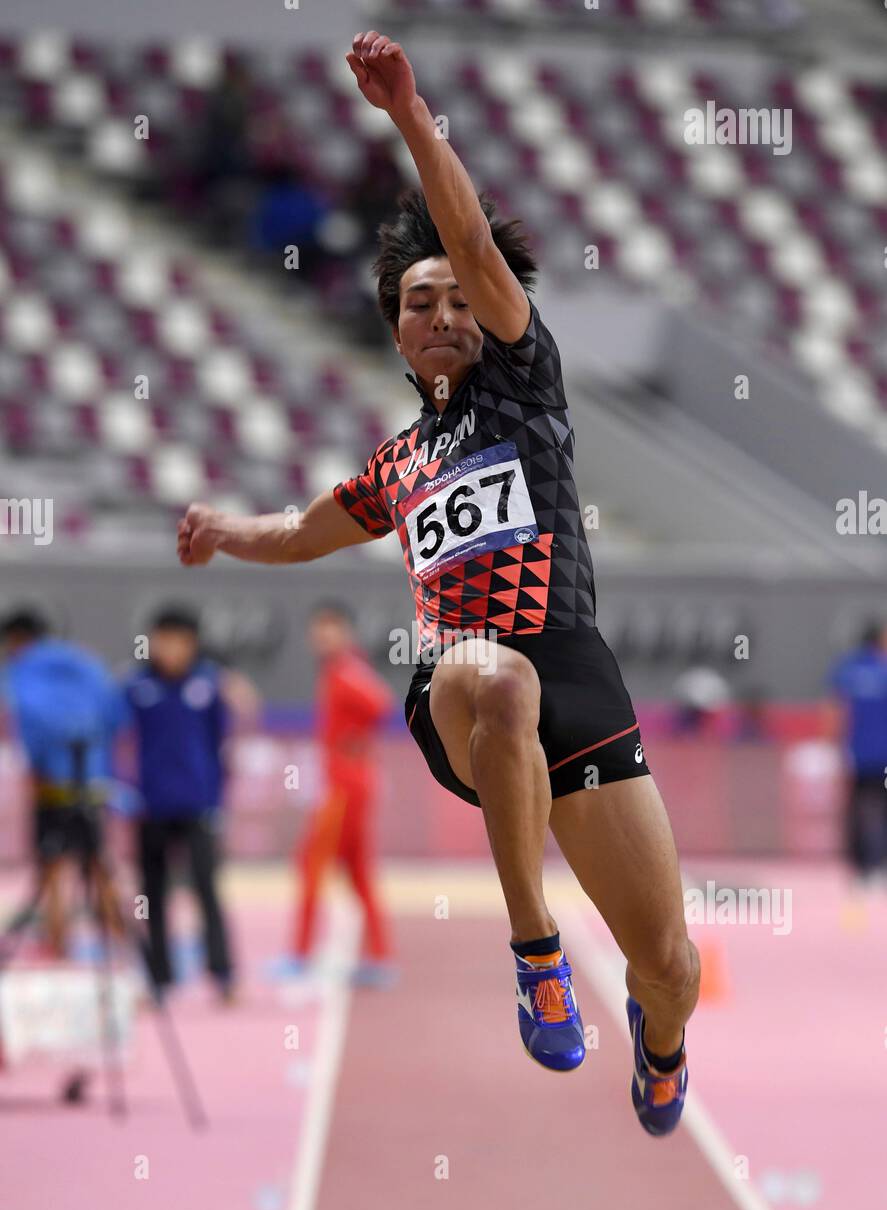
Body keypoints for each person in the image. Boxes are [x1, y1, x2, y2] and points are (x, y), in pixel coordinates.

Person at [177, 33, 699, 1135]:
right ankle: (535, 953)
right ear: (398, 334)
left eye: (463, 295)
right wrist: (224, 529)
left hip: (576, 665)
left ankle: (659, 1048)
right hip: (460, 683)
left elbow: (463, 232)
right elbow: (299, 533)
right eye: (423, 303)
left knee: (668, 961)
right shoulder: (396, 464)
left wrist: (409, 117)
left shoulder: (521, 378)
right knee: (494, 677)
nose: (449, 312)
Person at [120, 606, 239, 1002]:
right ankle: (159, 979)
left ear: (192, 644)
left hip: (198, 809)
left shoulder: (208, 686)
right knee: (152, 896)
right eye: (161, 639)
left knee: (206, 890)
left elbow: (221, 745)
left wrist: (217, 800)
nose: (168, 648)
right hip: (151, 808)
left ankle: (222, 974)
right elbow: (116, 737)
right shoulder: (137, 687)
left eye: (178, 640)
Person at [0, 608, 125, 957]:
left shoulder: (21, 668)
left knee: (52, 868)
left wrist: (39, 766)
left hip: (50, 785)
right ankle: (118, 939)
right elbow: (115, 715)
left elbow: (28, 726)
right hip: (92, 780)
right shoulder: (86, 662)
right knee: (99, 864)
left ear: (15, 639)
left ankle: (58, 944)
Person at [288, 601, 394, 985]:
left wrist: (353, 741)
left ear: (346, 631)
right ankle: (381, 957)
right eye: (318, 628)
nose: (322, 635)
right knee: (359, 872)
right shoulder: (336, 671)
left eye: (331, 627)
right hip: (348, 782)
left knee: (311, 864)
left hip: (346, 786)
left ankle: (300, 955)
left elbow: (380, 703)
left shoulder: (346, 671)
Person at [826, 620, 887, 890]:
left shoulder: (847, 668)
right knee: (877, 810)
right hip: (881, 754)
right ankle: (876, 866)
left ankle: (861, 868)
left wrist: (834, 745)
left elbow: (835, 711)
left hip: (858, 754)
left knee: (859, 809)